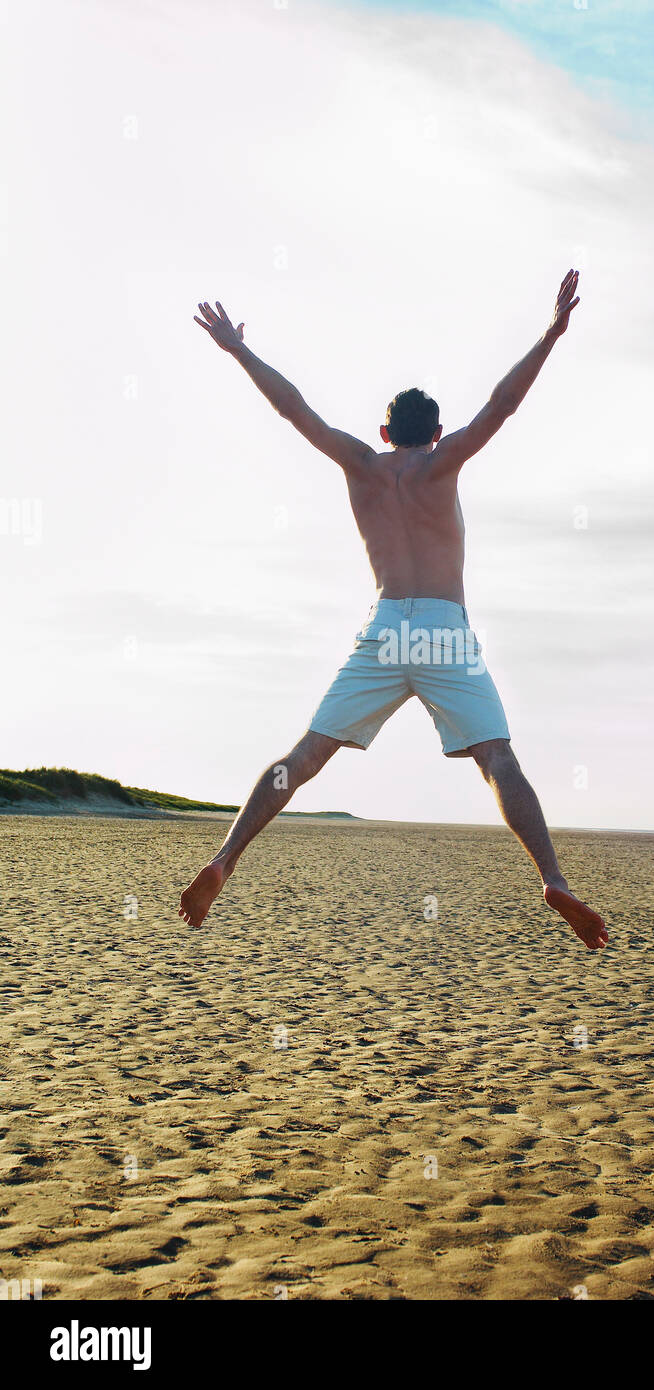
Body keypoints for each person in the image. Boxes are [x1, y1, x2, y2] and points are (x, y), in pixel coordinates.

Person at [179, 271, 608, 951]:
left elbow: (294, 410)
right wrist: (551, 331)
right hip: (442, 627)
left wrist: (237, 350)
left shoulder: (361, 465)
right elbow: (501, 406)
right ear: (435, 433)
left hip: (384, 629)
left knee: (305, 754)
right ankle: (551, 877)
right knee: (496, 758)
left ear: (384, 430)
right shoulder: (441, 466)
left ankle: (226, 858)